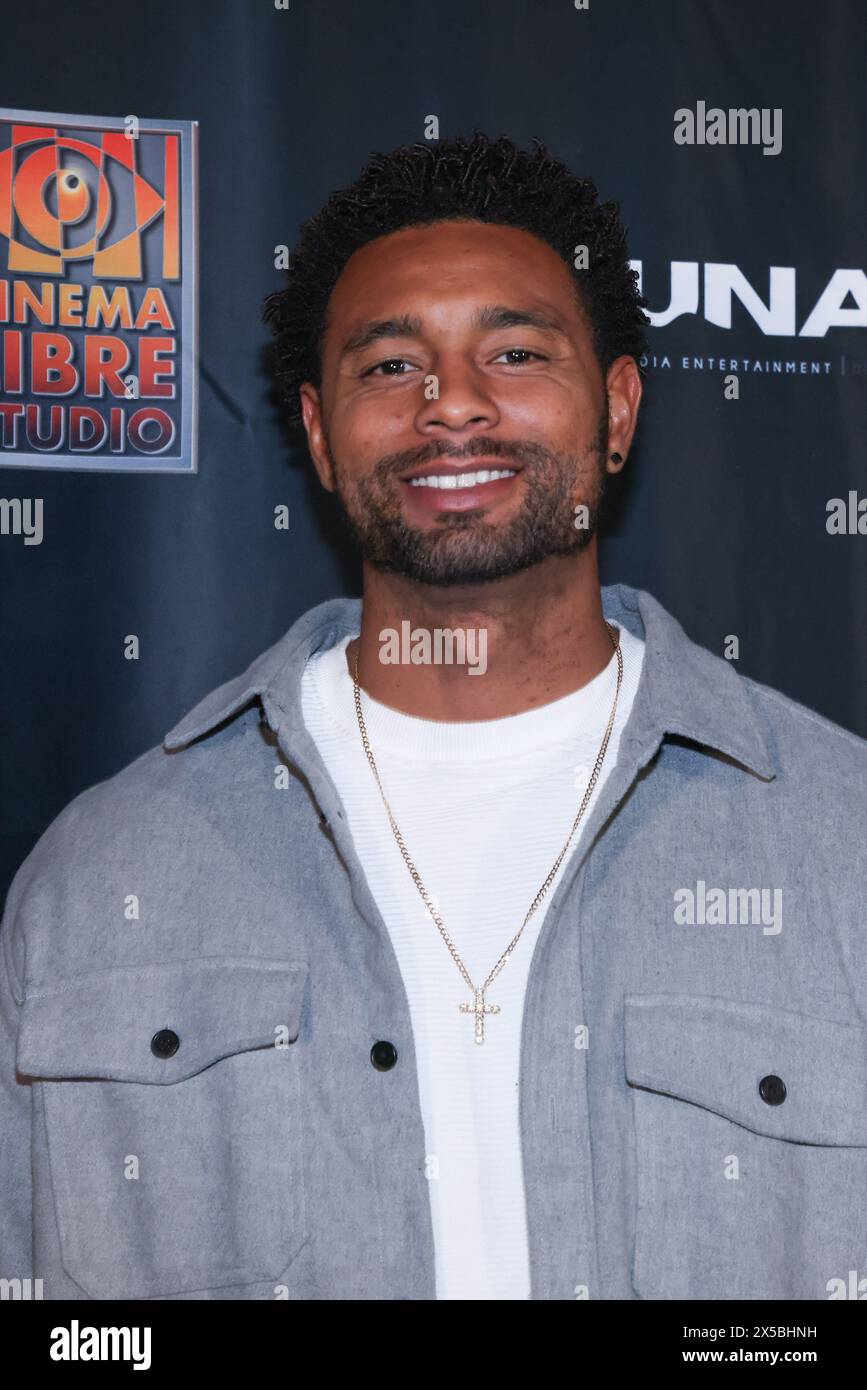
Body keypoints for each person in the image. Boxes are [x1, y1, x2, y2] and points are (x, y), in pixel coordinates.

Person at [2, 132, 866, 1302]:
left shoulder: (839, 841)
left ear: (616, 411)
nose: (452, 404)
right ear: (316, 432)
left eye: (513, 351)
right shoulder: (101, 877)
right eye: (389, 366)